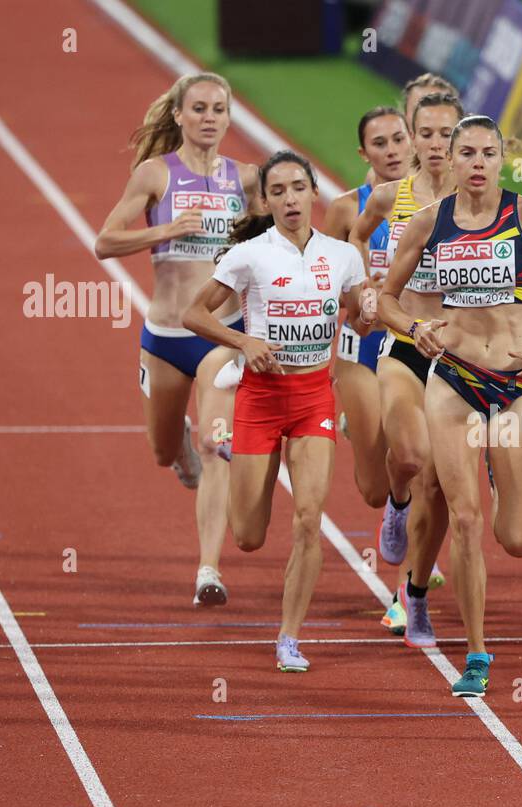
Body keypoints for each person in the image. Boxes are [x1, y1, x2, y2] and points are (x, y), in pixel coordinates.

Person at [377, 115, 522, 697]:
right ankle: (477, 653)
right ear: (452, 160)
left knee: (515, 537)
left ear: (502, 159)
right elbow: (386, 299)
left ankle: (495, 463)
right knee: (464, 520)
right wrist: (416, 328)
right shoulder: (427, 223)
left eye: (490, 152)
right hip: (454, 382)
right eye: (468, 152)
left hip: (514, 387)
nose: (479, 162)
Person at [182, 151, 369, 673]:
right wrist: (243, 341)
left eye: (299, 188)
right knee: (248, 535)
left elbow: (357, 314)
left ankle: (289, 636)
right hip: (261, 399)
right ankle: (230, 450)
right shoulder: (248, 256)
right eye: (279, 191)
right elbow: (193, 313)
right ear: (265, 201)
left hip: (313, 400)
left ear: (315, 194)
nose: (290, 199)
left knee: (310, 520)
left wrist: (371, 315)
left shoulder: (342, 256)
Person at [95, 72, 261, 608]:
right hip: (166, 335)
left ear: (229, 117)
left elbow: (275, 251)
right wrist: (163, 230)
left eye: (219, 109)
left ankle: (207, 570)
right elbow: (105, 242)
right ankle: (181, 449)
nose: (210, 117)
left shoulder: (249, 180)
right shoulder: (155, 176)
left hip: (220, 334)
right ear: (179, 116)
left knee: (219, 447)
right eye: (200, 108)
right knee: (164, 450)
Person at [349, 92, 464, 645]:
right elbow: (355, 238)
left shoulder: (481, 202)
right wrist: (367, 290)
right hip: (404, 342)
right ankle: (396, 505)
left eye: (448, 135)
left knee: (439, 483)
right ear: (414, 138)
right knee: (411, 458)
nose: (437, 145)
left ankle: (408, 591)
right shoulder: (390, 197)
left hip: (463, 357)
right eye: (427, 134)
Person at [322, 106, 410, 517]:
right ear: (363, 153)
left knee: (420, 459)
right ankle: (362, 432)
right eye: (380, 144)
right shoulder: (345, 209)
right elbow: (322, 281)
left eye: (398, 139)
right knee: (373, 490)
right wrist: (359, 296)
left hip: (415, 344)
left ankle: (413, 555)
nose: (392, 151)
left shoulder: (441, 204)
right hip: (364, 345)